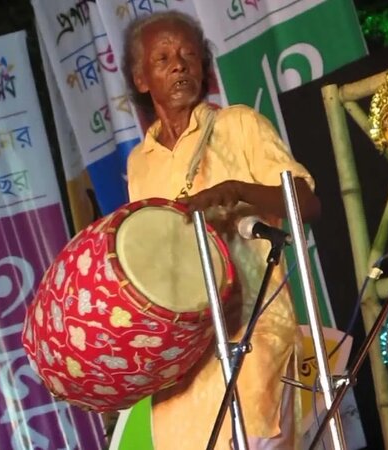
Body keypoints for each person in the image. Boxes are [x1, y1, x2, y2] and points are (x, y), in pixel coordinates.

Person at [122, 11, 321, 449]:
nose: (180, 65)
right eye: (164, 58)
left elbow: (306, 201)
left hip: (251, 333)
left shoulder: (239, 124)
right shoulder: (139, 163)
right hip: (182, 363)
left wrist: (238, 192)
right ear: (141, 79)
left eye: (190, 55)